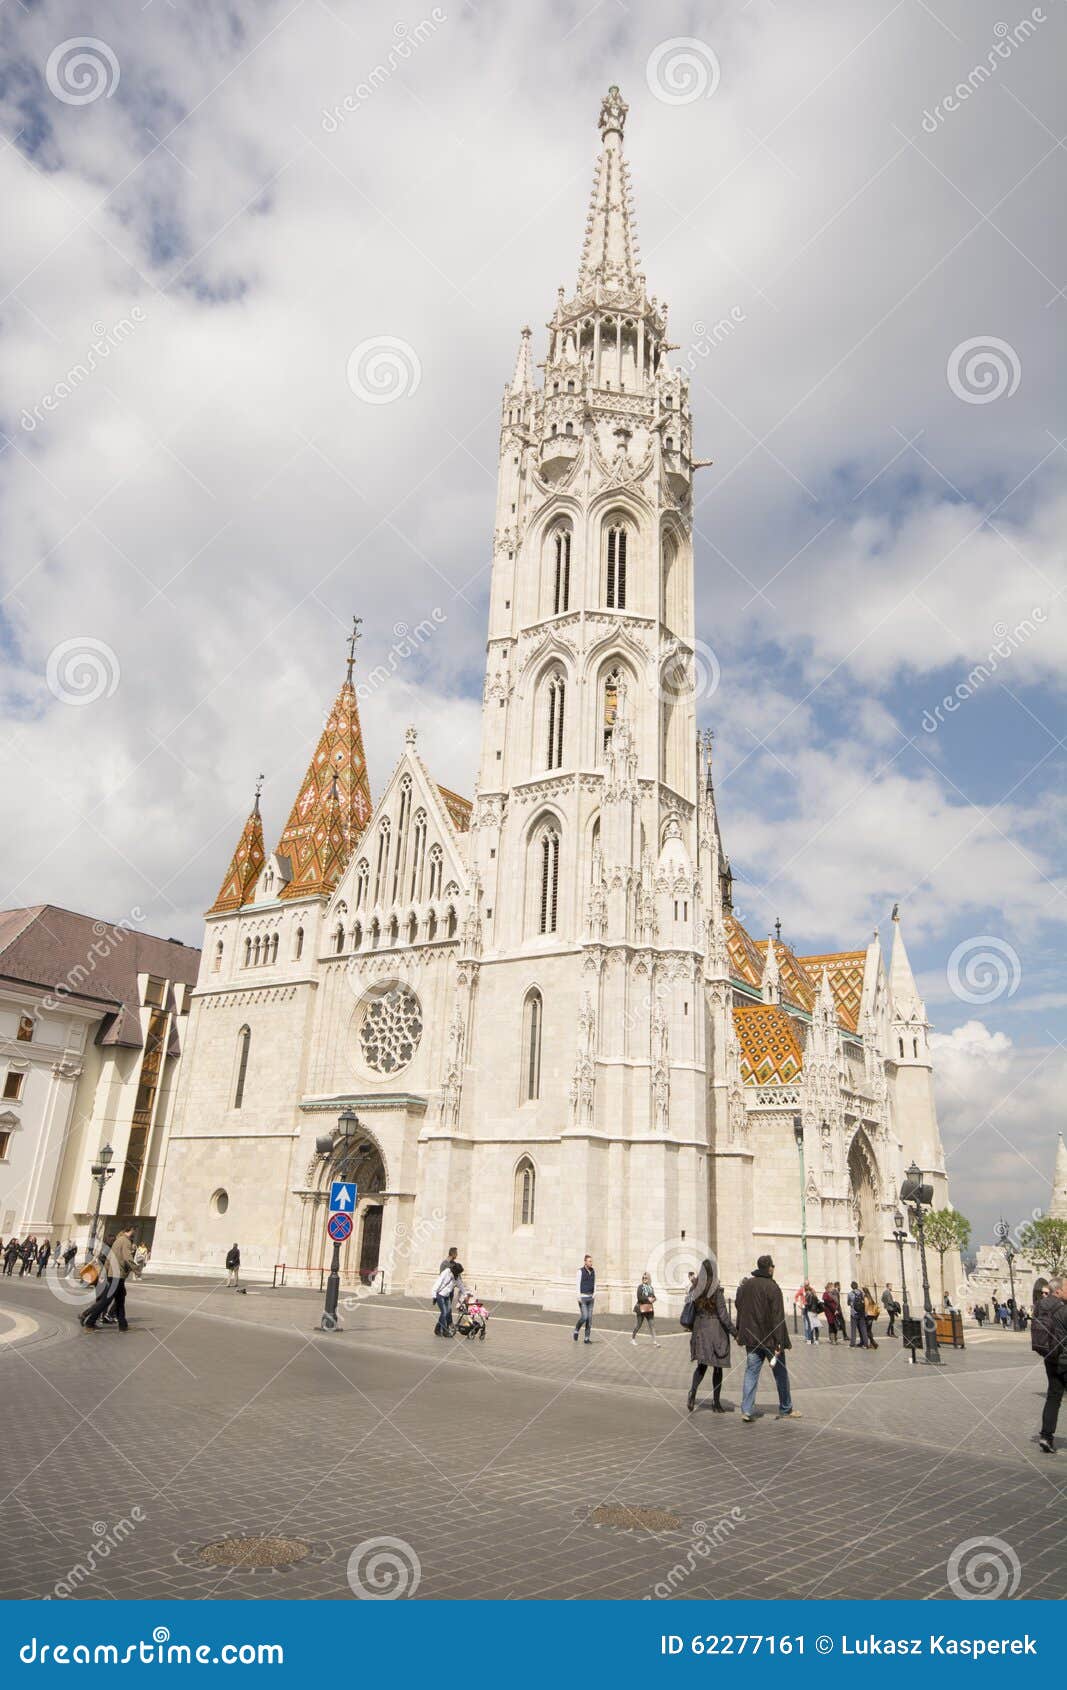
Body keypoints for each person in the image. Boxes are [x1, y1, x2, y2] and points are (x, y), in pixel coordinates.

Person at [734, 1255, 801, 1423]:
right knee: (780, 1374)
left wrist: (740, 1331)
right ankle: (786, 1408)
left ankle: (747, 1410)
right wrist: (781, 1342)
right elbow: (778, 1317)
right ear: (769, 1268)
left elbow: (739, 1306)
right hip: (770, 1341)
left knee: (750, 1373)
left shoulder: (746, 1285)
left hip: (752, 1339)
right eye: (773, 1266)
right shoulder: (772, 1287)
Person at [686, 1257, 737, 1413]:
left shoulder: (694, 1289)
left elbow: (690, 1308)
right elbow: (723, 1314)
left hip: (700, 1329)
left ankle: (693, 1392)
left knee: (701, 1366)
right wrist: (735, 1332)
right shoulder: (715, 1290)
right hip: (716, 1332)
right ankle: (716, 1403)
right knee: (717, 1367)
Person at [1031, 1274, 1067, 1454]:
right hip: (1064, 1358)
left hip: (1049, 1356)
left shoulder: (1039, 1306)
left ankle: (1046, 1436)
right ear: (1058, 1290)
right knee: (1055, 1396)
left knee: (1053, 1396)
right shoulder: (1062, 1309)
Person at [81, 1226, 138, 1331]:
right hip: (118, 1275)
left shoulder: (117, 1241)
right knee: (106, 1301)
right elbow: (127, 1257)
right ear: (130, 1230)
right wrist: (137, 1270)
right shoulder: (126, 1241)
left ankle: (123, 1325)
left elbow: (109, 1258)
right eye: (134, 1231)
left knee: (120, 1300)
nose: (135, 1233)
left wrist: (107, 1272)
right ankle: (89, 1322)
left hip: (113, 1274)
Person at [431, 1261, 460, 1336]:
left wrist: (466, 1293)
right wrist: (434, 1296)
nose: (458, 1275)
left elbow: (461, 1285)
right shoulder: (446, 1273)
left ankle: (437, 1329)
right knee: (444, 1312)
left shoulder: (456, 1276)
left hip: (446, 1296)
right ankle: (445, 1331)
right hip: (440, 1295)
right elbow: (438, 1283)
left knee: (446, 1313)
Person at [631, 1272, 659, 1346]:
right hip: (641, 1308)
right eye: (643, 1278)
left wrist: (654, 1299)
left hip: (649, 1309)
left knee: (652, 1325)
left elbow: (654, 1296)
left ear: (648, 1279)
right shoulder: (640, 1287)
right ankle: (633, 1339)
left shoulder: (651, 1288)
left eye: (645, 1278)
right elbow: (639, 1297)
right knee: (639, 1325)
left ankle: (655, 1341)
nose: (644, 1279)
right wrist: (648, 1299)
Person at [573, 1254, 595, 1344]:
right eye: (589, 1261)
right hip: (583, 1298)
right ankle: (577, 1329)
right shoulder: (580, 1271)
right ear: (585, 1262)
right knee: (584, 1317)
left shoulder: (593, 1271)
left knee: (589, 1319)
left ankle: (586, 1338)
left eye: (591, 1261)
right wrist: (578, 1297)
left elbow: (595, 1282)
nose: (591, 1263)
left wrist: (594, 1294)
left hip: (591, 1298)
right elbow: (578, 1284)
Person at [847, 1281, 868, 1348]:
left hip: (854, 1313)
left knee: (853, 1329)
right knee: (863, 1328)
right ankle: (865, 1344)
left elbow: (848, 1303)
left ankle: (852, 1344)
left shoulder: (850, 1294)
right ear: (857, 1286)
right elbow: (865, 1302)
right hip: (861, 1313)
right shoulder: (861, 1293)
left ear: (851, 1286)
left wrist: (851, 1303)